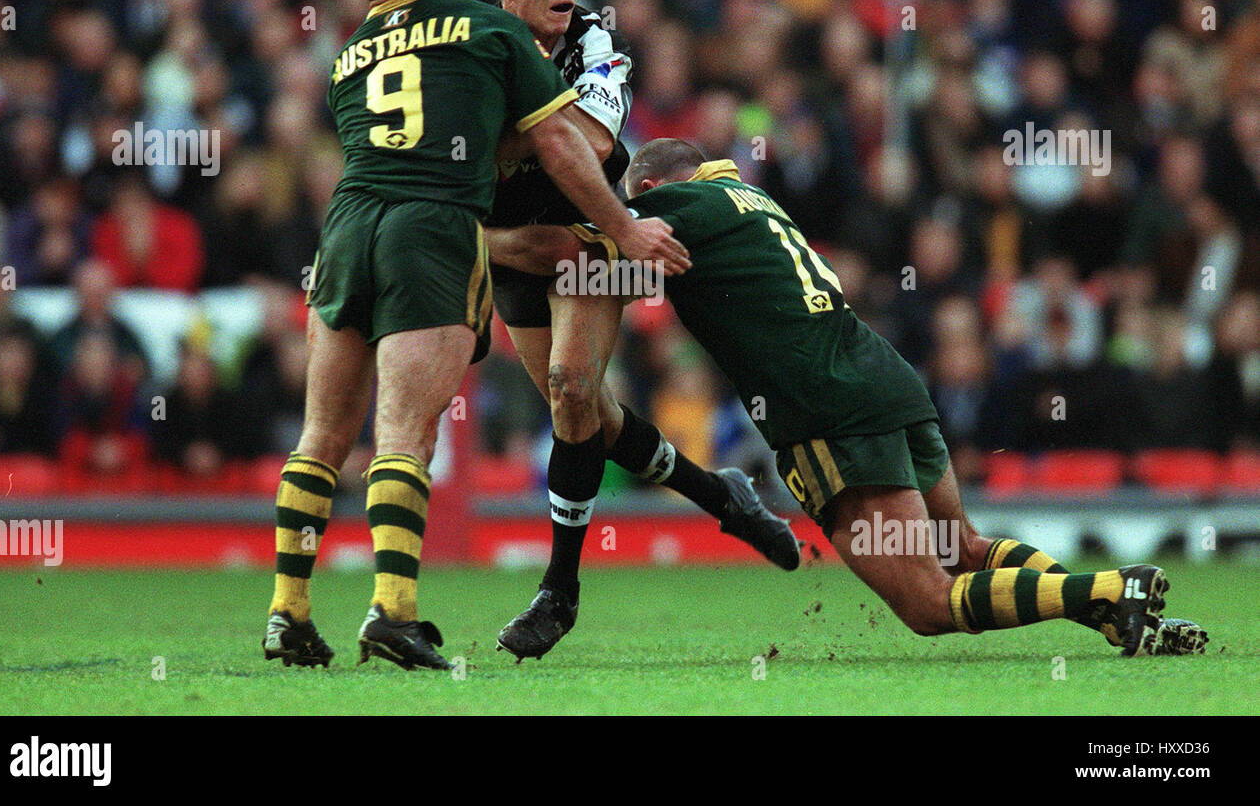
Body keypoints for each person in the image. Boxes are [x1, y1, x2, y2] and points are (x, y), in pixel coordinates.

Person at [486, 138, 1209, 658]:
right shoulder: (751, 200)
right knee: (962, 547)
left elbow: (566, 253)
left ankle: (1108, 588)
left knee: (929, 603)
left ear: (649, 188)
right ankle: (1111, 614)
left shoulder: (674, 208)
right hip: (889, 382)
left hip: (827, 412)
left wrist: (476, 235)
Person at [262, 0, 689, 672]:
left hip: (348, 225)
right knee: (404, 432)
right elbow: (563, 140)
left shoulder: (347, 57)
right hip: (429, 231)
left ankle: (287, 610)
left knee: (320, 435)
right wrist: (623, 228)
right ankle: (392, 612)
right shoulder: (486, 29)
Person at [481, 0, 798, 661]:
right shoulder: (476, 52)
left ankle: (559, 591)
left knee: (571, 387)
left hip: (591, 237)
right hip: (514, 251)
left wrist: (500, 138)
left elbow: (590, 142)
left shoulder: (594, 44)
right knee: (589, 415)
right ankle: (720, 494)